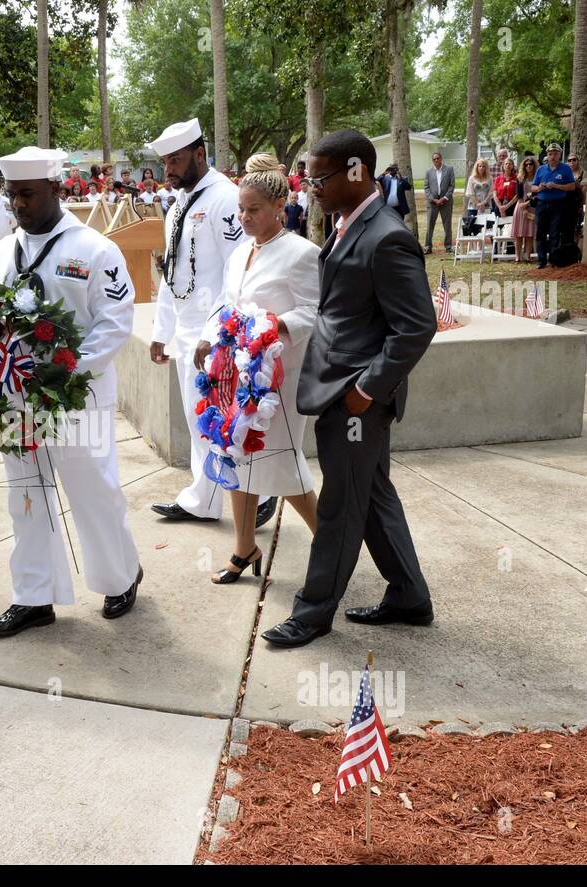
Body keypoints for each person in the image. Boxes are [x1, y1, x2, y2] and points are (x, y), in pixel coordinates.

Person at [262, 130, 435, 649]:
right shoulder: (346, 226)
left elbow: (416, 327)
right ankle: (409, 595)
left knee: (339, 506)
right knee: (374, 496)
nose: (310, 187)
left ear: (356, 171)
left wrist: (367, 388)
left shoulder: (387, 237)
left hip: (358, 397)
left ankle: (312, 614)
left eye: (319, 177)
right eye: (308, 177)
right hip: (338, 388)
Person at [0, 146, 143, 637]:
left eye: (27, 195)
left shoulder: (95, 249)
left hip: (78, 397)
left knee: (93, 490)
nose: (19, 205)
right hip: (15, 397)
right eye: (12, 196)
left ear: (56, 189)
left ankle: (121, 575)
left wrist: (66, 377)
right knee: (25, 495)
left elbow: (113, 324)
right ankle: (35, 595)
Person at [193, 155, 320, 585]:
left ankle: (330, 542)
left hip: (278, 380)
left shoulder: (303, 253)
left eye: (254, 210)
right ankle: (244, 548)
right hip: (235, 375)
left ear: (280, 205)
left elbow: (316, 312)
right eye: (241, 210)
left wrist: (275, 326)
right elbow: (226, 304)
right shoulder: (239, 253)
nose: (245, 218)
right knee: (236, 452)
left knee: (282, 462)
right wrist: (209, 337)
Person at [145, 119, 274, 528]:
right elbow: (172, 276)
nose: (169, 169)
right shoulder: (179, 205)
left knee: (228, 421)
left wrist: (213, 332)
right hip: (186, 332)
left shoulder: (225, 199)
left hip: (217, 334)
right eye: (165, 161)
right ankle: (204, 498)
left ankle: (263, 493)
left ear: (200, 154)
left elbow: (239, 272)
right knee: (197, 419)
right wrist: (160, 333)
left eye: (177, 159)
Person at [530, 142, 575, 268]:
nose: (552, 156)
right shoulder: (541, 169)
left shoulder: (565, 169)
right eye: (550, 154)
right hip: (542, 204)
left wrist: (556, 186)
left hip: (558, 204)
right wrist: (540, 187)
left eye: (555, 154)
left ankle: (553, 260)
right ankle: (541, 260)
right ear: (547, 155)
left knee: (554, 233)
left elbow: (572, 186)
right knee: (540, 233)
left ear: (559, 155)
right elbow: (533, 187)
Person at [423, 151, 455, 254]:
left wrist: (445, 198)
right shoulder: (428, 172)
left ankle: (449, 246)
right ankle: (428, 247)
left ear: (441, 159)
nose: (436, 160)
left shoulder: (449, 169)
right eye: (434, 159)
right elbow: (426, 187)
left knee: (447, 225)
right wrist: (433, 199)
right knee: (429, 225)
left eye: (438, 158)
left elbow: (451, 186)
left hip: (446, 202)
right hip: (432, 203)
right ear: (432, 161)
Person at [511, 156, 538, 263]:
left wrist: (528, 204)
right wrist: (523, 206)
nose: (528, 166)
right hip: (520, 206)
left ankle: (528, 256)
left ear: (534, 165)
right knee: (519, 233)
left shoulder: (538, 178)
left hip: (532, 207)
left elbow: (537, 194)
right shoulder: (520, 178)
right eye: (526, 164)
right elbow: (519, 194)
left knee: (529, 233)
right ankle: (517, 256)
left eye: (530, 164)